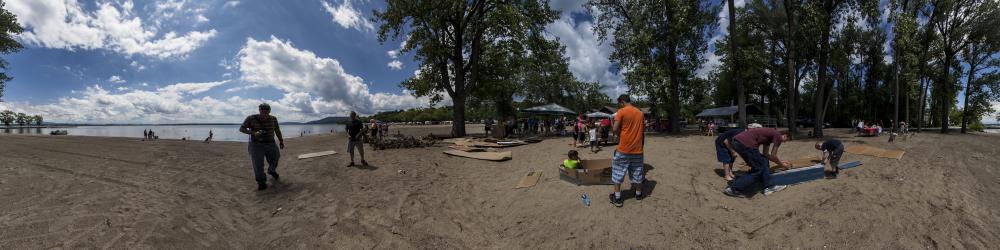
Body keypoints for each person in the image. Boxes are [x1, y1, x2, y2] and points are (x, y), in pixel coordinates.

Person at [723, 128, 790, 198]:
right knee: (758, 169)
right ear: (785, 135)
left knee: (764, 159)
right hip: (746, 144)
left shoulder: (769, 136)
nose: (784, 142)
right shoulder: (778, 135)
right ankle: (733, 189)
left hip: (737, 142)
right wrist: (782, 165)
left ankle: (768, 186)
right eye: (786, 140)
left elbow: (766, 154)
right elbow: (773, 155)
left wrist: (780, 162)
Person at [239, 103, 285, 191]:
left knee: (276, 157)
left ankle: (271, 171)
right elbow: (241, 129)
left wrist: (281, 141)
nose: (264, 111)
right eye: (262, 109)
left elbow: (277, 130)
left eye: (266, 109)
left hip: (271, 143)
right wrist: (254, 133)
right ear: (259, 110)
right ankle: (261, 182)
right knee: (257, 165)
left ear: (269, 110)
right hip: (256, 145)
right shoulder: (251, 118)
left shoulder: (273, 119)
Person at [609, 94, 645, 207]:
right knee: (638, 172)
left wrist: (616, 129)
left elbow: (614, 129)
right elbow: (642, 131)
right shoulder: (640, 113)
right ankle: (638, 194)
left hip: (624, 148)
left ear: (622, 102)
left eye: (619, 103)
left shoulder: (621, 111)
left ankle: (618, 198)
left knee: (618, 172)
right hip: (638, 149)